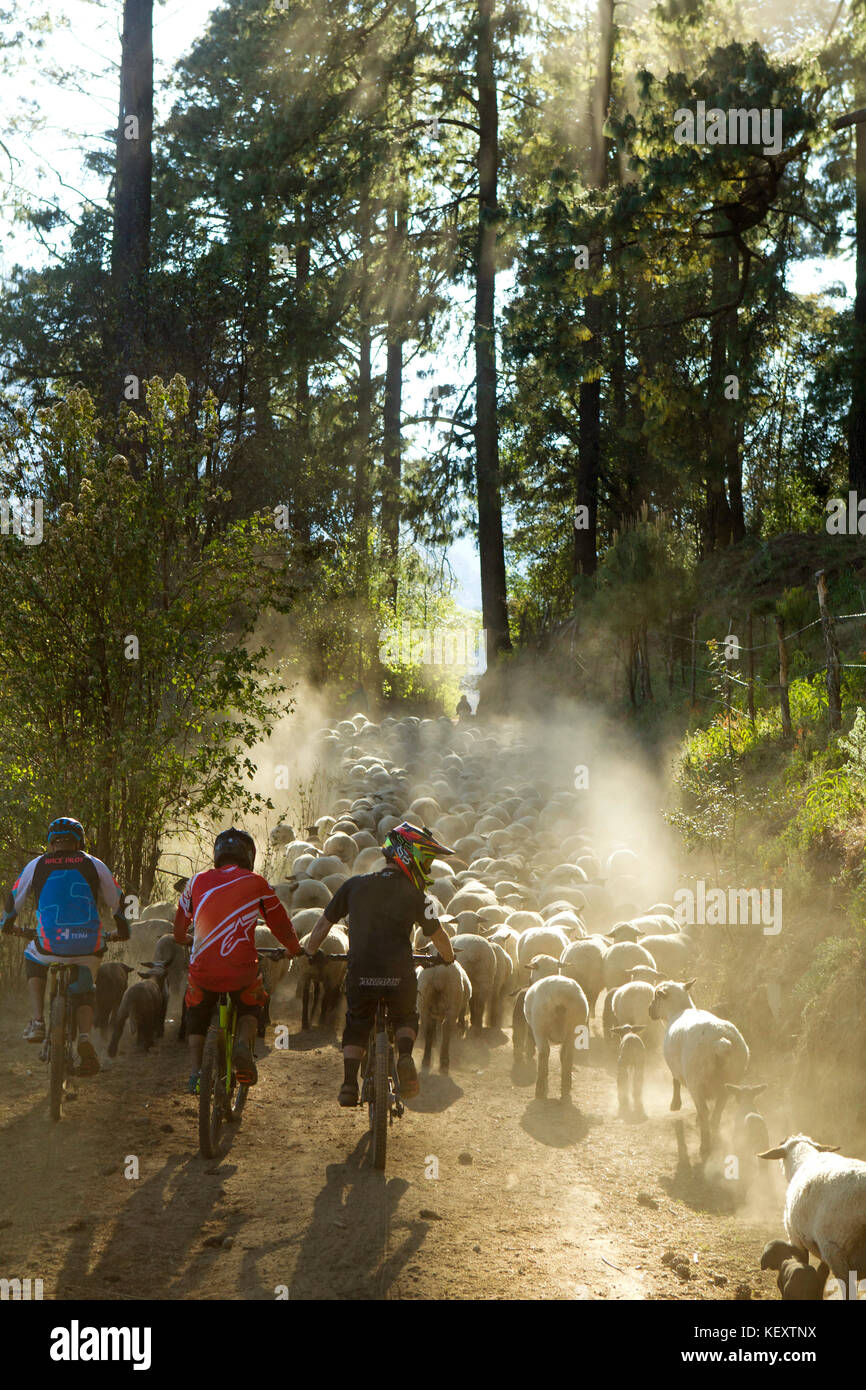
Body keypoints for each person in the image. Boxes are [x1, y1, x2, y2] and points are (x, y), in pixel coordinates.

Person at [303, 822, 456, 1107]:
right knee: (406, 1017)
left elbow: (325, 922)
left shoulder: (354, 885)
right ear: (408, 856)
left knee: (357, 1023)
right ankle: (406, 1057)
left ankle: (349, 1084)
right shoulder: (417, 895)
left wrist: (311, 950)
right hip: (399, 974)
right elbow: (438, 934)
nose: (429, 869)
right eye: (426, 861)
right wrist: (448, 957)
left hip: (362, 972)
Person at [173, 827, 304, 1095]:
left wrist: (188, 941)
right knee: (250, 1007)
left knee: (197, 1016)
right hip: (241, 972)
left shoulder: (195, 882)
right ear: (248, 855)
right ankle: (243, 1043)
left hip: (202, 972)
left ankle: (196, 1073)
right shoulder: (257, 883)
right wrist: (294, 948)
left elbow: (178, 931)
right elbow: (279, 922)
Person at [0, 817, 130, 1076]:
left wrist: (7, 925)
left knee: (32, 956)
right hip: (87, 945)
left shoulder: (37, 865)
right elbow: (120, 899)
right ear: (79, 840)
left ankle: (38, 1021)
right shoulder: (94, 864)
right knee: (85, 988)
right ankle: (84, 1038)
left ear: (51, 842)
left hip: (49, 945)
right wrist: (123, 930)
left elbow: (13, 898)